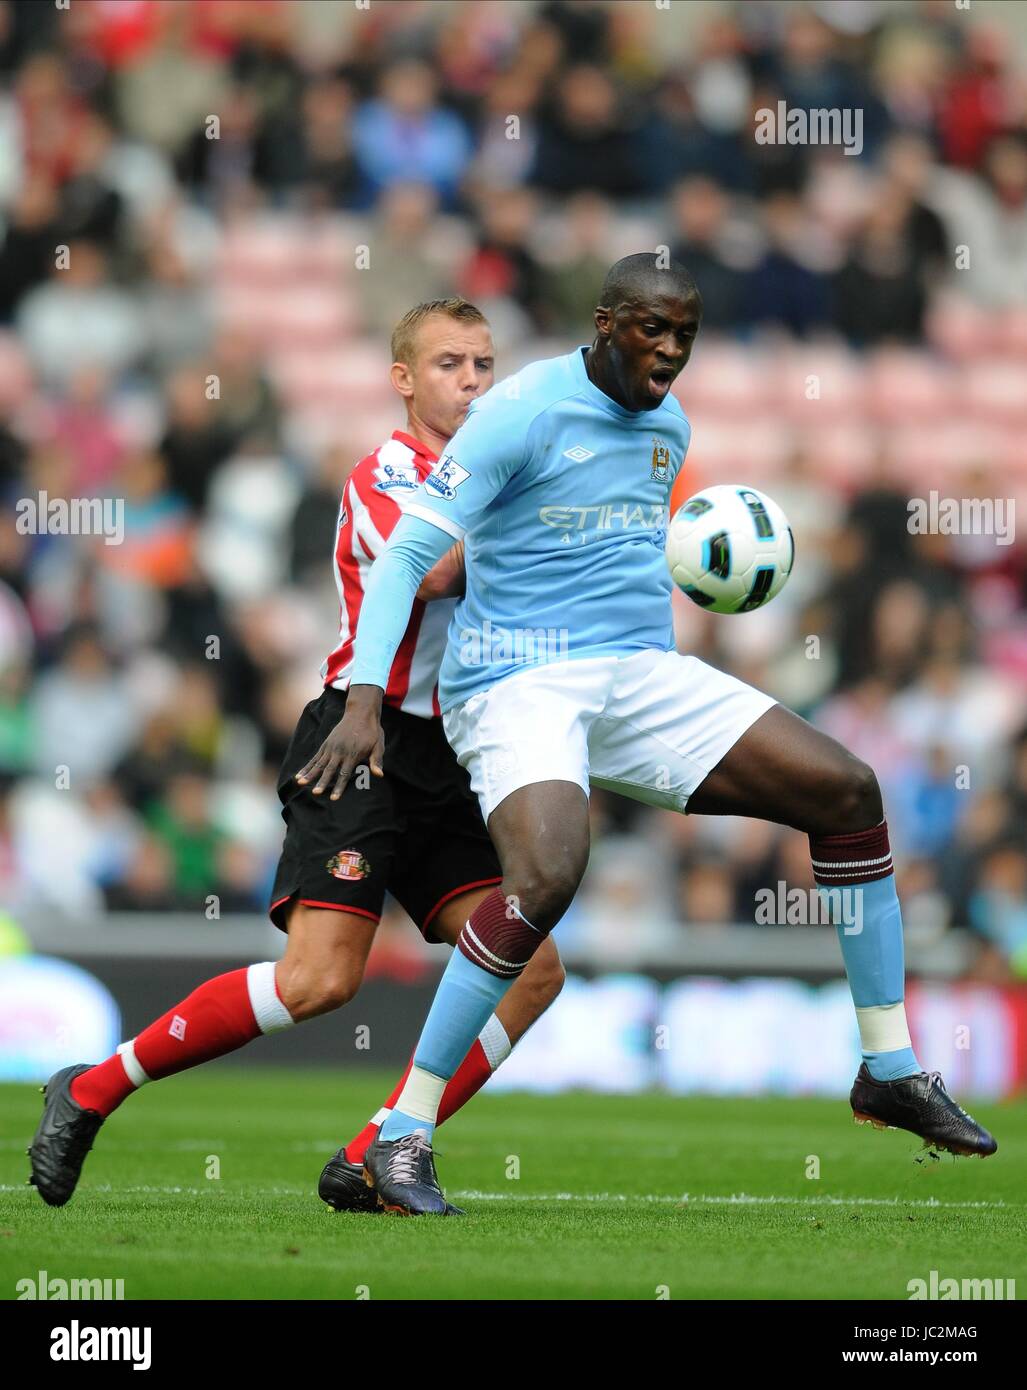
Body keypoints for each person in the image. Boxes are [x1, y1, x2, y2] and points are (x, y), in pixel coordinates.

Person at [309, 253, 997, 1215]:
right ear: (605, 324)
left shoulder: (668, 425)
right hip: (515, 678)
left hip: (636, 673)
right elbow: (407, 557)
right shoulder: (520, 410)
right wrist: (360, 701)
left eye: (685, 334)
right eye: (652, 330)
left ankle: (888, 1069)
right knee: (547, 875)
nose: (670, 350)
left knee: (846, 792)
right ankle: (403, 1132)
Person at [27, 298, 565, 1211]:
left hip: (452, 754)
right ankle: (90, 1089)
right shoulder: (385, 475)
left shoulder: (503, 478)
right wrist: (558, 538)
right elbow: (434, 571)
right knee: (320, 980)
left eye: (483, 365)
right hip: (361, 736)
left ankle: (379, 1148)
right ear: (403, 380)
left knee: (532, 969)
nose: (472, 382)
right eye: (449, 365)